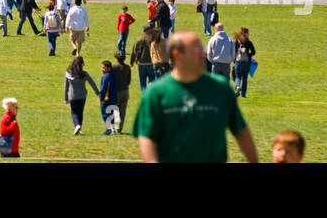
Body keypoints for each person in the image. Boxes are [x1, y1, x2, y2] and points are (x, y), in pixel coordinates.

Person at [133, 31, 258, 164]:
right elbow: (146, 137)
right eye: (196, 50)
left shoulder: (221, 88)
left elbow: (241, 132)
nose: (203, 54)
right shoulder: (156, 93)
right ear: (177, 55)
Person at [64, 56, 98, 135]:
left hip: (72, 95)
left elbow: (66, 86)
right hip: (82, 95)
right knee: (80, 112)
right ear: (81, 64)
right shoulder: (84, 74)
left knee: (74, 112)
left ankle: (77, 125)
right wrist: (97, 93)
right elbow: (92, 83)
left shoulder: (68, 73)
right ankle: (79, 128)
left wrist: (65, 98)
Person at [231, 27, 256, 98]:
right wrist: (248, 55)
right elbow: (254, 52)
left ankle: (237, 86)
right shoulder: (249, 42)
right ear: (246, 34)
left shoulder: (236, 42)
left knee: (238, 77)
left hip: (238, 61)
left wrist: (234, 60)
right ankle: (243, 94)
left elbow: (233, 52)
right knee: (245, 78)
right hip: (246, 62)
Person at [98, 60, 120, 134]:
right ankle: (113, 129)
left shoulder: (106, 76)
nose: (102, 69)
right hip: (113, 98)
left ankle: (109, 129)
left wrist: (101, 98)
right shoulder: (114, 75)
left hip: (106, 98)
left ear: (109, 68)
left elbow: (103, 89)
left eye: (103, 68)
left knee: (105, 113)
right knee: (111, 114)